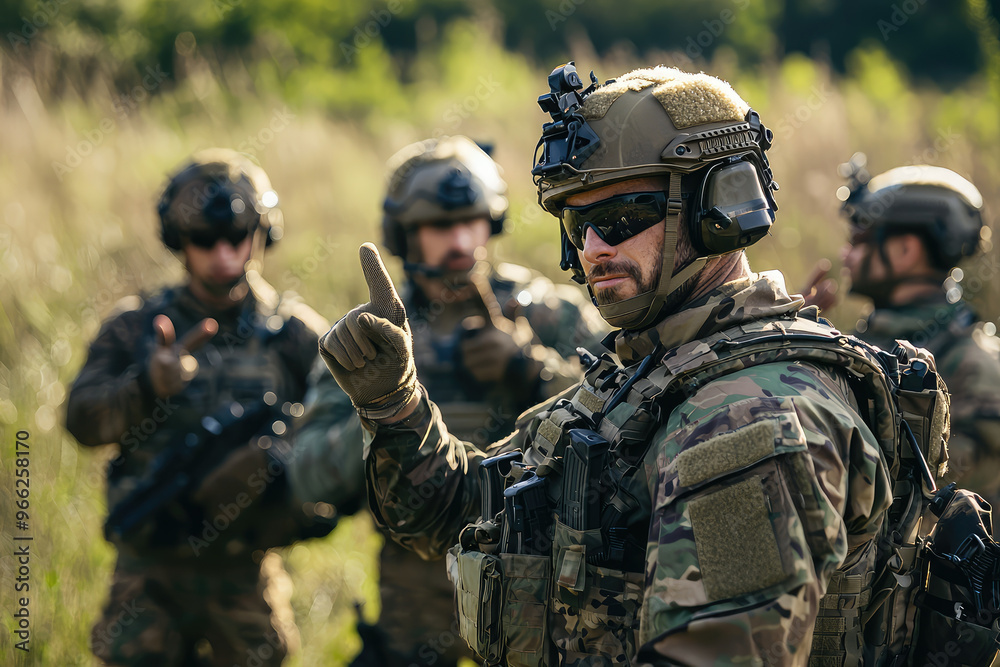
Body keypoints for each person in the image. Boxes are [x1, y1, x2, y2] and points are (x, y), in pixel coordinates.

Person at [314, 64, 959, 664]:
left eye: (622, 218)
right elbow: (460, 513)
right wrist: (395, 403)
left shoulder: (749, 419)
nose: (593, 249)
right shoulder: (644, 372)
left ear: (715, 211)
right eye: (579, 223)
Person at [288, 135, 607, 667]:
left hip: (545, 595)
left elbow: (626, 411)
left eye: (473, 221)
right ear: (404, 235)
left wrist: (530, 369)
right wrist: (384, 406)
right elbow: (308, 477)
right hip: (415, 604)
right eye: (439, 226)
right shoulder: (374, 337)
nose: (460, 239)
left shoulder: (548, 314)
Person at [65, 149, 329, 667]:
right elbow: (80, 420)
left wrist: (284, 463)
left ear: (262, 232)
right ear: (178, 242)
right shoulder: (135, 327)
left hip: (244, 568)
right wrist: (145, 386)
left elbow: (346, 423)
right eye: (205, 240)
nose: (224, 253)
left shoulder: (293, 333)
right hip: (148, 570)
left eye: (237, 236)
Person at [807, 154, 1000, 508]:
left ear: (906, 250)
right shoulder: (862, 342)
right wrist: (796, 336)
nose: (846, 254)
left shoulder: (980, 369)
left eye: (859, 239)